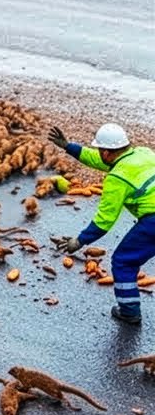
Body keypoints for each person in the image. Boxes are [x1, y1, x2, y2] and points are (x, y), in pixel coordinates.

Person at [50, 124, 155, 324]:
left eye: (100, 150)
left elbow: (104, 220)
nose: (99, 154)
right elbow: (100, 161)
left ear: (106, 152)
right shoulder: (143, 153)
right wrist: (69, 147)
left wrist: (79, 241)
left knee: (124, 261)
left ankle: (130, 312)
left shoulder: (117, 178)